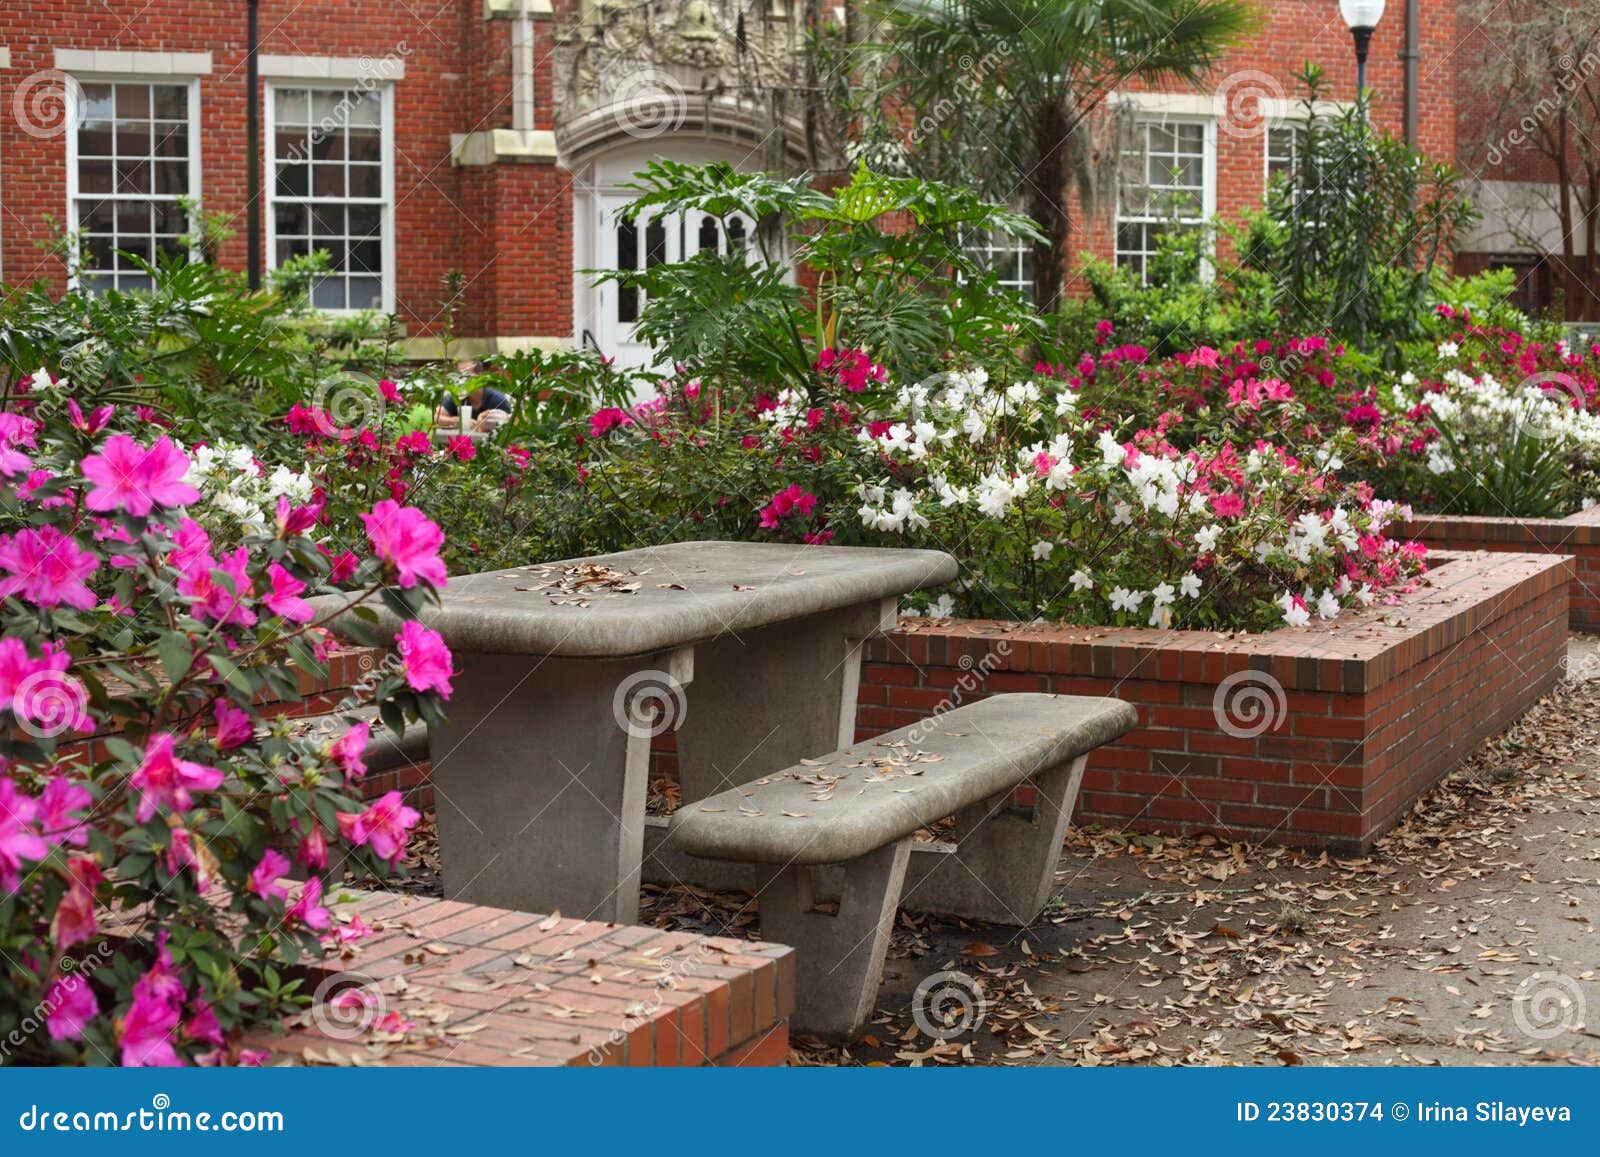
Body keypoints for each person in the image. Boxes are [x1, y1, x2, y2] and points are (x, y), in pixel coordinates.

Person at [434, 362, 513, 432]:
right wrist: (457, 421)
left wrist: (484, 424)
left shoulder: (496, 398)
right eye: (459, 376)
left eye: (466, 375)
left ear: (480, 375)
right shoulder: (459, 396)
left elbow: (511, 423)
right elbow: (435, 417)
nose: (461, 380)